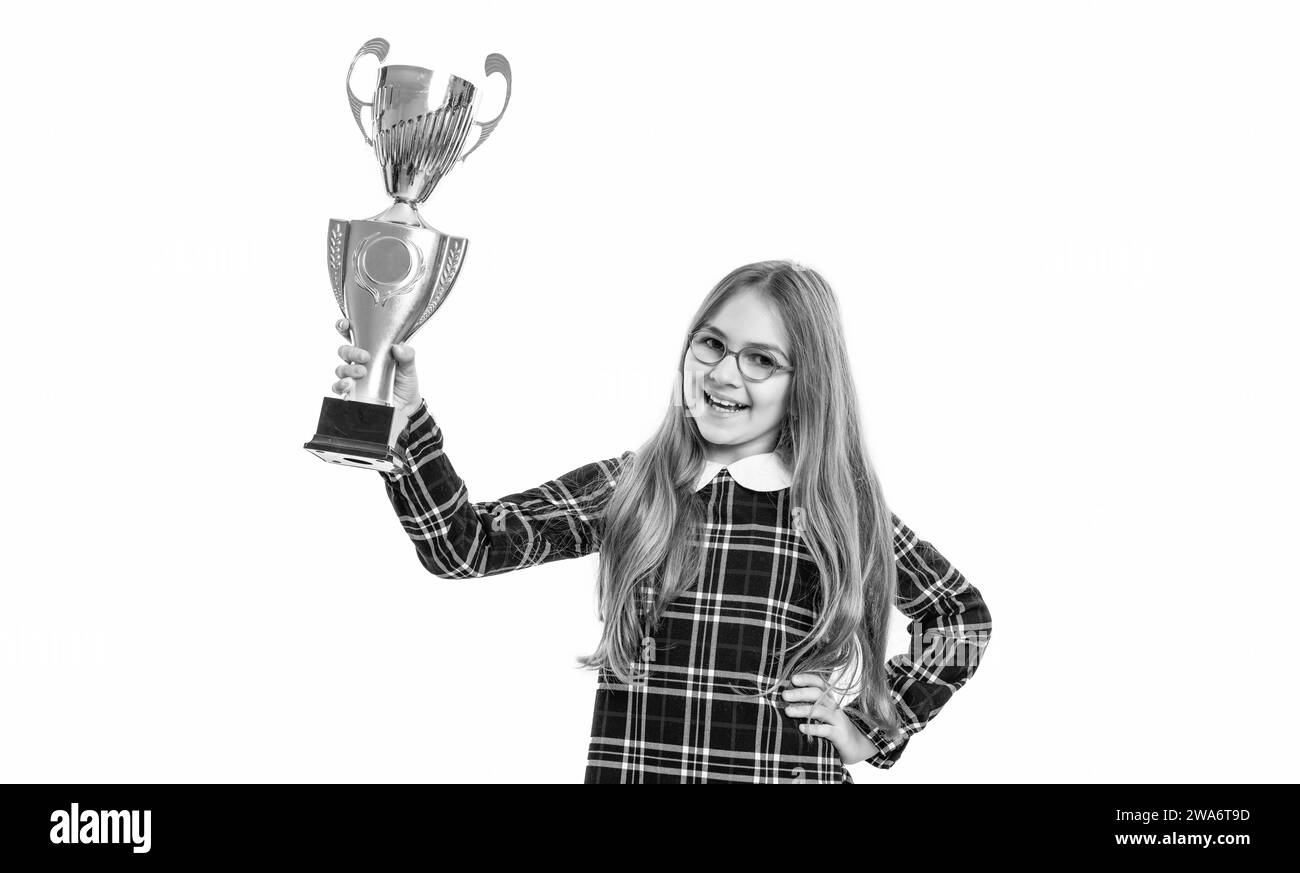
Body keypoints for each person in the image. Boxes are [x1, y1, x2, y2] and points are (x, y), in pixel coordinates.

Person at [331, 260, 993, 783]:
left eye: (761, 359)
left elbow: (961, 615)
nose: (724, 372)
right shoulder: (634, 486)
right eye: (712, 344)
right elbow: (463, 546)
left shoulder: (833, 506)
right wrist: (404, 423)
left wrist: (870, 729)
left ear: (807, 384)